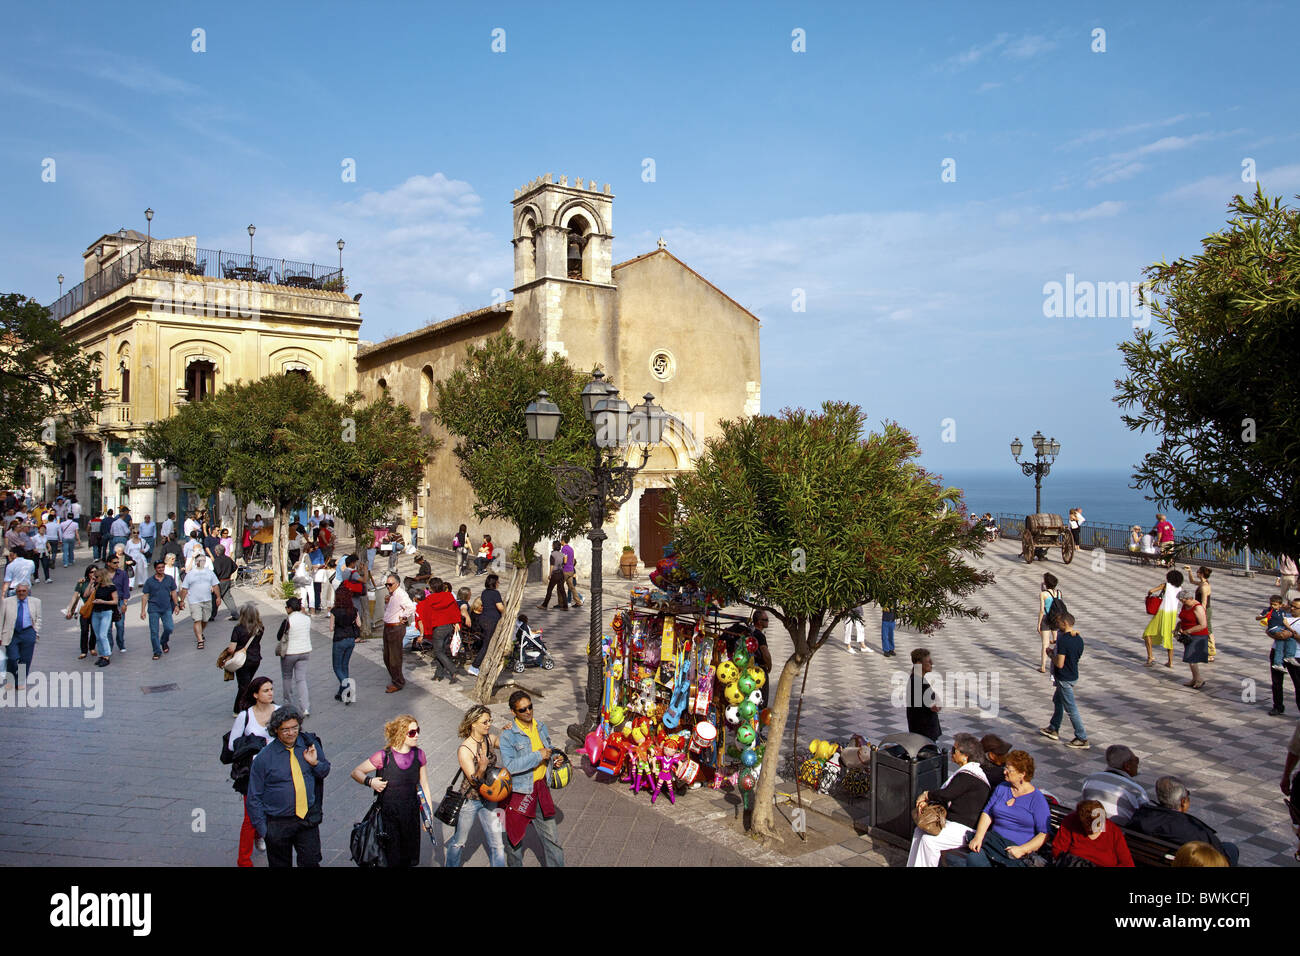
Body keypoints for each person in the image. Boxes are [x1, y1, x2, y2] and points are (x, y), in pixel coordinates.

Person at [246, 706, 330, 867]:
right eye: (285, 730)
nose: (291, 733)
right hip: (278, 823)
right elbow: (254, 797)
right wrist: (264, 831)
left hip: (306, 819)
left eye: (294, 728)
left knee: (311, 862)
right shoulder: (264, 758)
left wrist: (315, 763)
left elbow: (324, 771)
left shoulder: (309, 745)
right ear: (276, 730)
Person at [350, 714, 433, 867]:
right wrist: (370, 782)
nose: (417, 735)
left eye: (418, 730)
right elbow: (356, 772)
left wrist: (428, 814)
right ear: (401, 734)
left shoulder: (419, 755)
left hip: (410, 816)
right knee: (390, 860)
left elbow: (425, 785)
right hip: (388, 818)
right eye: (412, 732)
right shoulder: (384, 757)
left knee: (407, 859)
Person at [499, 691, 565, 867]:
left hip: (541, 790)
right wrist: (538, 756)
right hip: (520, 793)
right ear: (513, 712)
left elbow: (548, 749)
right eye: (522, 710)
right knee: (515, 843)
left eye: (530, 707)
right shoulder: (507, 736)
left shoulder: (540, 726)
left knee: (553, 840)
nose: (528, 712)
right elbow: (511, 766)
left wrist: (553, 760)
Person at [955, 750, 1050, 867]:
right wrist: (979, 836)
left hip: (1016, 852)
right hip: (993, 843)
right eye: (1005, 768)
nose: (1004, 772)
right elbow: (987, 813)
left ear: (1022, 774)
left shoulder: (1037, 799)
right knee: (974, 859)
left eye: (1009, 770)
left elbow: (1044, 834)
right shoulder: (1002, 788)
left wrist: (1022, 849)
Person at [906, 732, 989, 867]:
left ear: (965, 756)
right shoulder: (969, 774)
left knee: (929, 842)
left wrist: (926, 795)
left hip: (964, 829)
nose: (952, 752)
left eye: (954, 750)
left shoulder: (970, 776)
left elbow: (947, 794)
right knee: (919, 830)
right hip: (954, 823)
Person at [1128, 776, 1238, 865]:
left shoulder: (1141, 815)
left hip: (1147, 859)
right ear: (1183, 801)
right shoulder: (1194, 830)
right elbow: (1218, 856)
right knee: (1230, 848)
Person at [447, 704, 507, 867]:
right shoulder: (465, 749)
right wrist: (481, 767)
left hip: (491, 798)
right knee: (459, 841)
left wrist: (507, 731)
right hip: (470, 801)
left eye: (490, 721)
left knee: (498, 844)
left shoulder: (489, 738)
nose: (489, 725)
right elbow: (473, 780)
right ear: (473, 723)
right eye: (485, 722)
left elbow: (503, 743)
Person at [230, 677, 276, 866]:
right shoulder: (245, 716)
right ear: (255, 694)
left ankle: (261, 834)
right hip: (252, 774)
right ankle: (244, 860)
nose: (271, 693)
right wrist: (254, 746)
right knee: (250, 817)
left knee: (272, 813)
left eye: (271, 689)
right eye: (266, 690)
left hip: (275, 772)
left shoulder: (280, 712)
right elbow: (234, 745)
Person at [1038, 610, 1089, 749]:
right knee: (1057, 700)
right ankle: (1053, 727)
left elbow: (1059, 663)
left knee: (1071, 708)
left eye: (1059, 623)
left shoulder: (1065, 641)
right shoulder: (1078, 639)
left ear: (1065, 623)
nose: (1057, 626)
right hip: (1073, 674)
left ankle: (1081, 737)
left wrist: (1050, 654)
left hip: (1064, 677)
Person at [1080, 744, 1149, 826]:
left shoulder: (1091, 779)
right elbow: (1146, 818)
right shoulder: (1136, 790)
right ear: (1127, 766)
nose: (1137, 764)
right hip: (1117, 834)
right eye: (1136, 760)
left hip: (1090, 827)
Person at [1051, 800, 1134, 867]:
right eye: (1092, 829)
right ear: (1082, 823)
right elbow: (1058, 850)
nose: (1100, 830)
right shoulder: (1071, 822)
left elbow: (1127, 863)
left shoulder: (1113, 831)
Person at [418, 580, 463, 683]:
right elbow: (455, 610)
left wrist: (425, 630)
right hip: (449, 627)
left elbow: (426, 614)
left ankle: (452, 669)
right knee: (441, 651)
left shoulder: (430, 599)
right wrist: (456, 622)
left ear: (432, 588)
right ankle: (438, 675)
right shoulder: (449, 596)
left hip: (438, 628)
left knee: (438, 651)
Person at [226, 604, 266, 715]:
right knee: (246, 683)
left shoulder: (238, 629)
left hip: (242, 660)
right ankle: (244, 706)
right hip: (255, 659)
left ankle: (239, 709)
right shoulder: (260, 628)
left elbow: (231, 648)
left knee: (244, 686)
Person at [1, 582, 41, 690]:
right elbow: (1, 619)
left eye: (23, 591)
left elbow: (38, 618)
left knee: (25, 659)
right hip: (12, 633)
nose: (21, 593)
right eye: (19, 591)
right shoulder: (7, 602)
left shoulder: (36, 602)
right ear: (15, 592)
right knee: (12, 658)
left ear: (27, 591)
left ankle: (20, 681)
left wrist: (35, 632)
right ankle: (10, 679)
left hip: (28, 632)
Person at [381, 573, 416, 694]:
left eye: (390, 584)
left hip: (395, 628)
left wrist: (403, 616)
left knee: (394, 657)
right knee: (387, 656)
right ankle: (395, 678)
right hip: (388, 626)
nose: (388, 586)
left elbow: (411, 607)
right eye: (387, 584)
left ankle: (398, 682)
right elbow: (389, 610)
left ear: (397, 584)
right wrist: (387, 602)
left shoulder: (401, 594)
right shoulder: (392, 595)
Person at [278, 597, 313, 716]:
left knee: (287, 677)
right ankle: (305, 707)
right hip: (305, 651)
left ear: (290, 608)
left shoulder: (288, 620)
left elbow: (279, 636)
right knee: (301, 679)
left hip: (290, 652)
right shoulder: (307, 619)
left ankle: (288, 704)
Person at [178, 553, 221, 650]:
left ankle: (200, 632)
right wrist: (182, 601)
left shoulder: (210, 573)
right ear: (196, 562)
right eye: (200, 560)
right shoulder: (190, 574)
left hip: (207, 599)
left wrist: (218, 597)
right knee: (197, 619)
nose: (202, 562)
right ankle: (200, 640)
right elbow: (184, 589)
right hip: (194, 601)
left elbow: (215, 586)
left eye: (203, 560)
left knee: (205, 619)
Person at [139, 559, 179, 660]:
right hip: (153, 609)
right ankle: (156, 651)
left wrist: (176, 604)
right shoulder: (150, 581)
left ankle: (164, 641)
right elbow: (145, 596)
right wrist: (143, 610)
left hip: (166, 608)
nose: (161, 569)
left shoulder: (169, 579)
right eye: (159, 568)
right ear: (155, 569)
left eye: (162, 567)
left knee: (169, 628)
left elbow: (174, 592)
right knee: (154, 631)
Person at [1142, 569, 1182, 668]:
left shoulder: (1165, 585)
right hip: (1172, 615)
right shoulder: (1180, 589)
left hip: (1162, 613)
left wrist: (1150, 595)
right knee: (1169, 636)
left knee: (1147, 634)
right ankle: (1170, 662)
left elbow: (1151, 591)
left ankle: (1150, 657)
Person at [1269, 597, 1300, 716]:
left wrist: (1291, 635)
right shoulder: (1282, 615)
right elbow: (1269, 629)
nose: (1292, 608)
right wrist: (1276, 634)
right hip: (1277, 652)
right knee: (1276, 682)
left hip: (1296, 655)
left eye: (1295, 607)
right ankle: (1277, 706)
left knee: (1298, 684)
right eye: (1291, 606)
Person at [470, 574, 505, 674]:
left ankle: (485, 664)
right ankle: (474, 666)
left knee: (487, 643)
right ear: (494, 583)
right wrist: (507, 611)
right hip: (491, 621)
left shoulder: (484, 592)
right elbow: (500, 607)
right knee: (487, 645)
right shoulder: (495, 593)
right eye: (498, 582)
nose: (499, 584)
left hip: (483, 619)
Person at [1176, 590, 1210, 690]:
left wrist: (1188, 631)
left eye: (1184, 601)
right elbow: (1183, 617)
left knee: (1191, 658)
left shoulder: (1197, 607)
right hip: (1187, 635)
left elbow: (1203, 625)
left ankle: (1199, 679)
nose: (1182, 603)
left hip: (1197, 635)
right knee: (1191, 659)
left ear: (1190, 598)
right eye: (1181, 601)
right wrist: (1178, 626)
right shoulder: (1185, 605)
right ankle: (1195, 678)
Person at [905, 647, 942, 741]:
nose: (932, 663)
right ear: (918, 664)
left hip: (918, 732)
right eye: (928, 661)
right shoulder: (920, 684)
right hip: (925, 735)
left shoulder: (914, 679)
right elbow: (936, 707)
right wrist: (937, 699)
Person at [330, 586, 359, 703]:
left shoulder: (334, 611)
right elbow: (360, 624)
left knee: (337, 667)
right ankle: (341, 692)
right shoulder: (354, 610)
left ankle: (348, 687)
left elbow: (331, 628)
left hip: (339, 639)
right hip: (351, 640)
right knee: (345, 665)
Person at [64, 564, 99, 659]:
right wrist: (69, 610)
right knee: (84, 630)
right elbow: (75, 596)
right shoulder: (82, 583)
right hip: (84, 609)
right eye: (91, 572)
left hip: (96, 609)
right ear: (88, 573)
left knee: (94, 630)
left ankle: (92, 647)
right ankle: (84, 650)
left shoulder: (100, 582)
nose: (93, 574)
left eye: (95, 572)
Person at [88, 566, 118, 667]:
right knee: (97, 636)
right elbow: (86, 594)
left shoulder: (111, 587)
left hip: (106, 612)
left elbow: (115, 601)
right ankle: (101, 655)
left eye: (96, 577)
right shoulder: (96, 586)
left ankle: (107, 656)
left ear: (102, 577)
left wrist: (103, 601)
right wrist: (91, 583)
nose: (95, 578)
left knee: (103, 635)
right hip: (96, 612)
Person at [1186, 565, 1216, 661]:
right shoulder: (1202, 584)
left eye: (1197, 571)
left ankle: (1211, 652)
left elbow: (1204, 602)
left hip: (1205, 610)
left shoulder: (1204, 587)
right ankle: (1204, 650)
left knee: (1208, 630)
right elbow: (1191, 581)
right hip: (1202, 610)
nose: (1196, 573)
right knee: (1205, 629)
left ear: (1201, 574)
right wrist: (1189, 571)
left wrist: (1201, 613)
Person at [1037, 572, 1062, 673]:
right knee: (1057, 642)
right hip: (1056, 619)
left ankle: (1043, 666)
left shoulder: (1043, 594)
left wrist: (1038, 624)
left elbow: (1042, 610)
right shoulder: (1059, 593)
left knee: (1045, 644)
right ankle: (1057, 662)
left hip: (1046, 619)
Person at [537, 540, 569, 610]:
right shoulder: (562, 554)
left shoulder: (552, 554)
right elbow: (564, 563)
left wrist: (550, 574)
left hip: (555, 574)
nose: (552, 546)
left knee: (549, 590)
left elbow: (552, 565)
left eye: (552, 545)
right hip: (561, 573)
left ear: (554, 546)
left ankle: (544, 605)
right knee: (562, 590)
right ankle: (565, 606)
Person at [212, 544, 239, 622]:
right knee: (228, 597)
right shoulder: (228, 559)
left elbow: (216, 571)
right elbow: (235, 567)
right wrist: (229, 573)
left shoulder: (217, 560)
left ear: (217, 552)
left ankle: (211, 615)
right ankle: (235, 614)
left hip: (220, 581)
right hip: (227, 580)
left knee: (215, 597)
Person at [560, 535, 581, 607]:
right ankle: (578, 602)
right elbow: (572, 560)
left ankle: (561, 603)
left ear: (563, 540)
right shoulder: (571, 549)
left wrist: (562, 564)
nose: (560, 542)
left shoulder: (564, 549)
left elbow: (565, 560)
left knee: (560, 586)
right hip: (571, 570)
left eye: (561, 540)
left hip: (565, 570)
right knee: (572, 587)